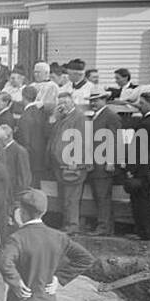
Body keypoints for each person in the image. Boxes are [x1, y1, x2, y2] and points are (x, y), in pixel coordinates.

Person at [123, 91, 150, 241]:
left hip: (142, 169)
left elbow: (139, 149)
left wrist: (131, 169)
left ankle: (144, 233)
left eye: (142, 103)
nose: (139, 106)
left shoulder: (146, 124)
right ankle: (144, 232)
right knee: (143, 200)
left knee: (140, 202)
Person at [49, 90, 89, 234]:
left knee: (71, 198)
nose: (62, 106)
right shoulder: (62, 118)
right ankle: (66, 224)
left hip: (72, 165)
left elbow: (82, 141)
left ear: (72, 102)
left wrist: (76, 162)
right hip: (60, 165)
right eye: (60, 103)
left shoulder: (79, 118)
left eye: (65, 102)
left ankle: (72, 226)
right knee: (64, 197)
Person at [85, 88, 121, 235]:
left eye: (97, 100)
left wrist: (111, 161)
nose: (93, 103)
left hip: (104, 164)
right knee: (99, 196)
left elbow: (115, 140)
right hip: (96, 163)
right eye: (91, 100)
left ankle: (104, 227)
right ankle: (106, 227)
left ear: (104, 100)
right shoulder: (97, 116)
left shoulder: (110, 116)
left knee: (102, 197)